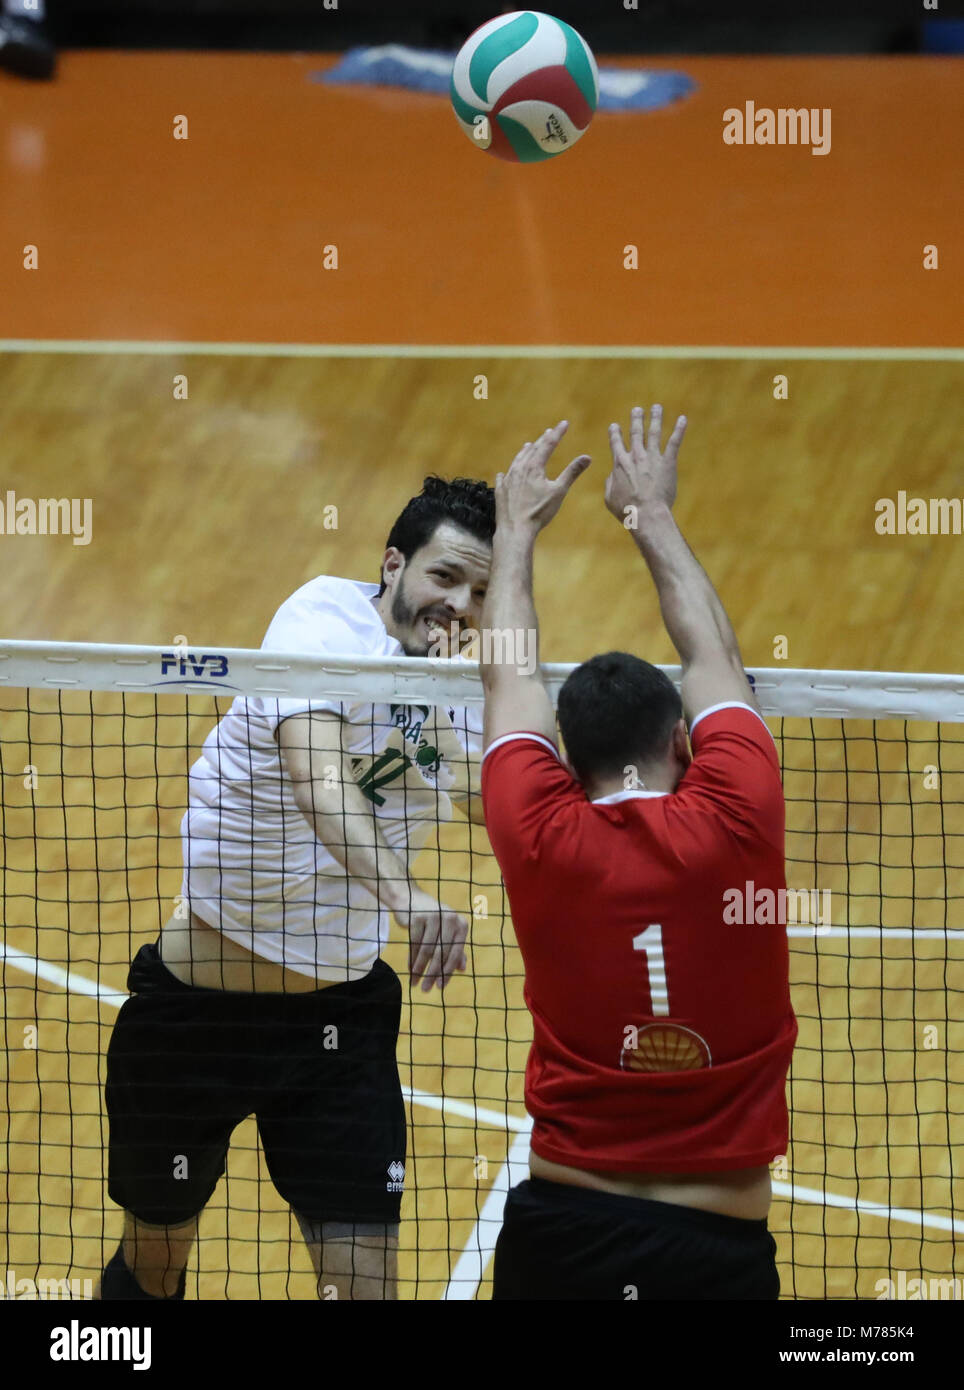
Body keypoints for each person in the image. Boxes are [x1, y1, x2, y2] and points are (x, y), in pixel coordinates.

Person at [98, 476, 494, 1302]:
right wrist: (410, 900)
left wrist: (465, 710)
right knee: (154, 1268)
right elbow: (318, 778)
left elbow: (508, 808)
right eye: (444, 577)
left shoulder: (467, 689)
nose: (458, 605)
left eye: (481, 592)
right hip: (194, 1021)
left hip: (337, 1031)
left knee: (363, 1294)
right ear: (393, 565)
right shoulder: (323, 618)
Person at [478, 408, 797, 1300]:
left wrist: (515, 533)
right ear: (686, 744)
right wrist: (647, 512)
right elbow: (715, 655)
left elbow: (508, 673)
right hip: (715, 1250)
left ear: (564, 766)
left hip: (563, 1235)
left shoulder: (537, 829)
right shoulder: (741, 810)